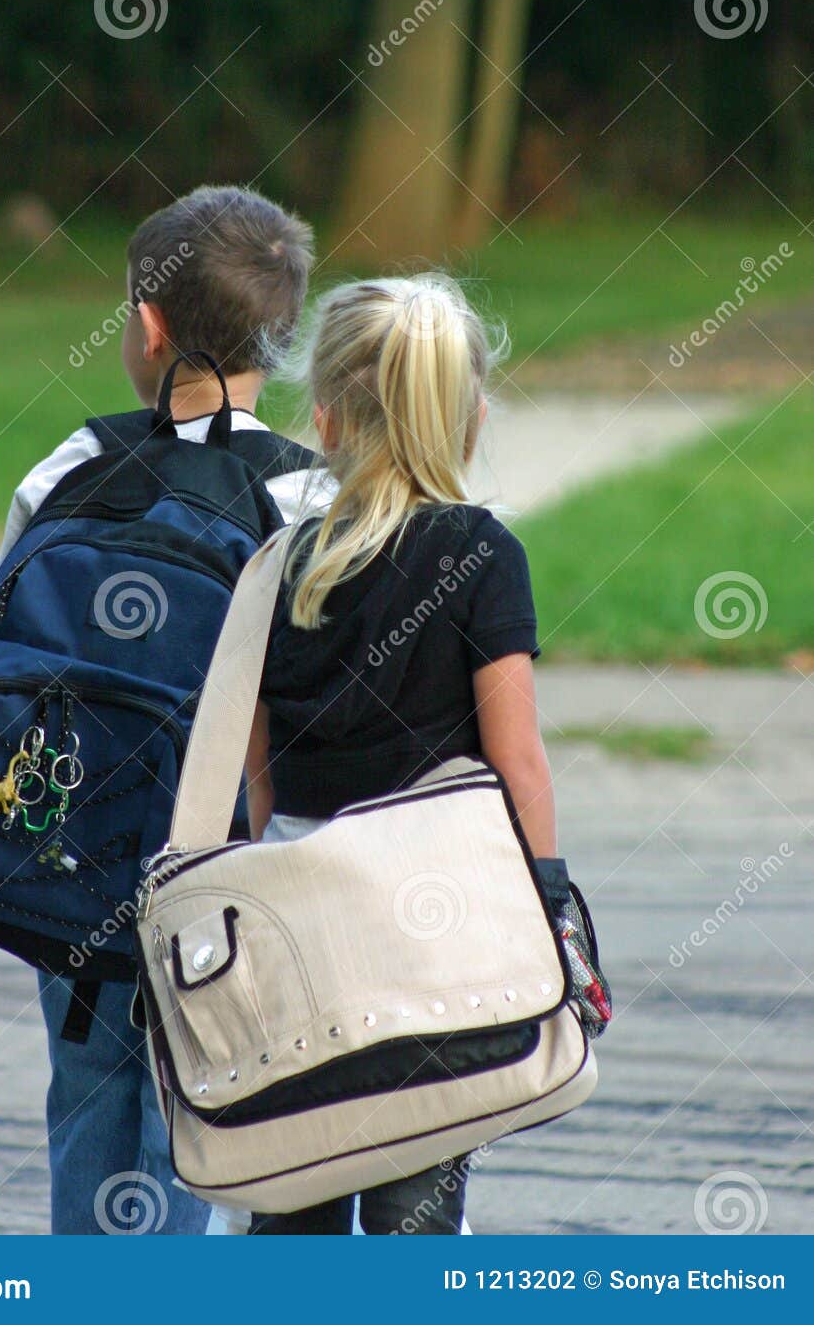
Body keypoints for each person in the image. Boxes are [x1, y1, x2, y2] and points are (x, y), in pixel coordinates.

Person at [1, 185, 324, 1234]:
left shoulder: (69, 473)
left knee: (90, 1113)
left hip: (73, 868)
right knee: (211, 1131)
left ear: (146, 327)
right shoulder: (314, 499)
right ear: (280, 337)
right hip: (239, 884)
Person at [243, 276, 561, 1236]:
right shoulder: (480, 553)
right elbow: (518, 759)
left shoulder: (281, 559)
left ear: (327, 417)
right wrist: (547, 897)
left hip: (301, 918)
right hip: (435, 922)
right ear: (466, 420)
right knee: (417, 1202)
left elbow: (254, 765)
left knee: (293, 1185)